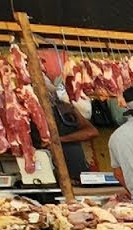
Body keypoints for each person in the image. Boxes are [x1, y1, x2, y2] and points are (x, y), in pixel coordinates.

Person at [36, 49, 99, 180]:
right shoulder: (27, 112)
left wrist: (59, 140)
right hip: (42, 175)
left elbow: (91, 132)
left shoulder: (65, 108)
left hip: (76, 172)